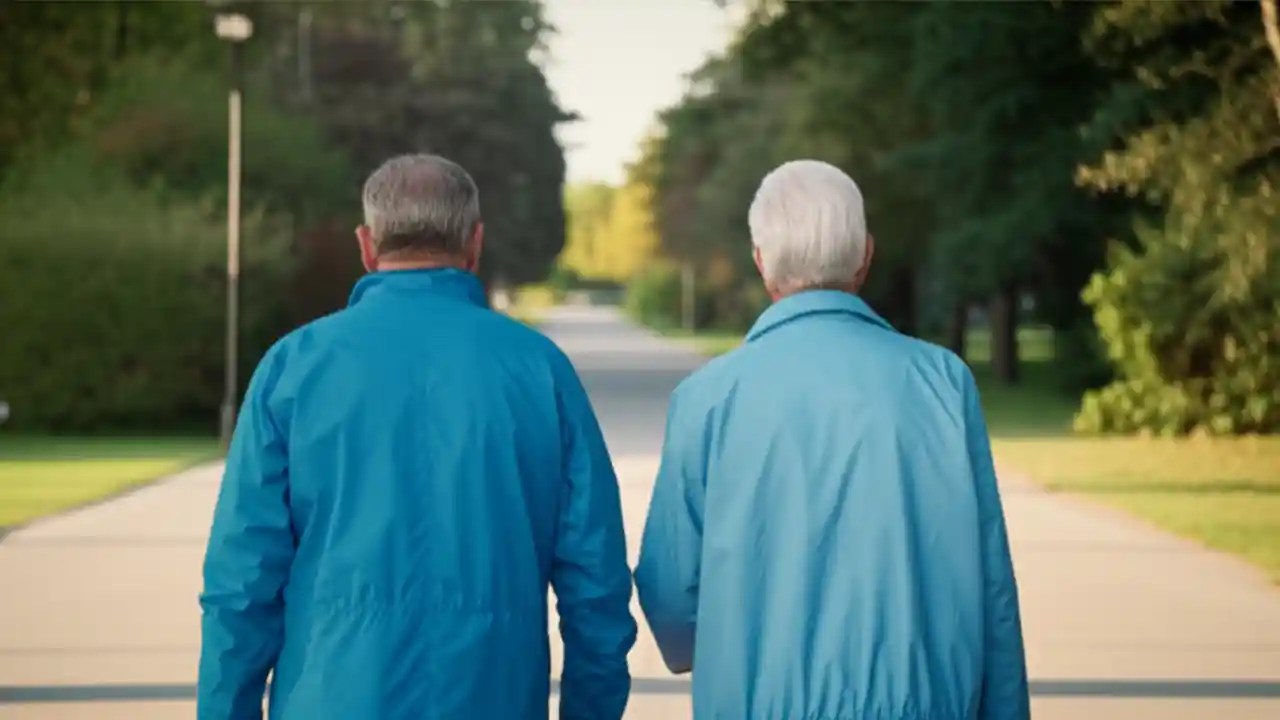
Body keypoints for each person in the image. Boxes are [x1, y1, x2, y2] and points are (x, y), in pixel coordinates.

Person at [199, 154, 636, 720]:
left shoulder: (294, 369)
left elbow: (241, 583)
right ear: (474, 244)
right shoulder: (540, 370)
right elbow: (595, 583)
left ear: (367, 244)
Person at [635, 160, 1029, 719]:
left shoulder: (707, 398)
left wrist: (728, 653)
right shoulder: (942, 381)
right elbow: (991, 589)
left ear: (761, 262)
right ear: (866, 255)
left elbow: (671, 590)